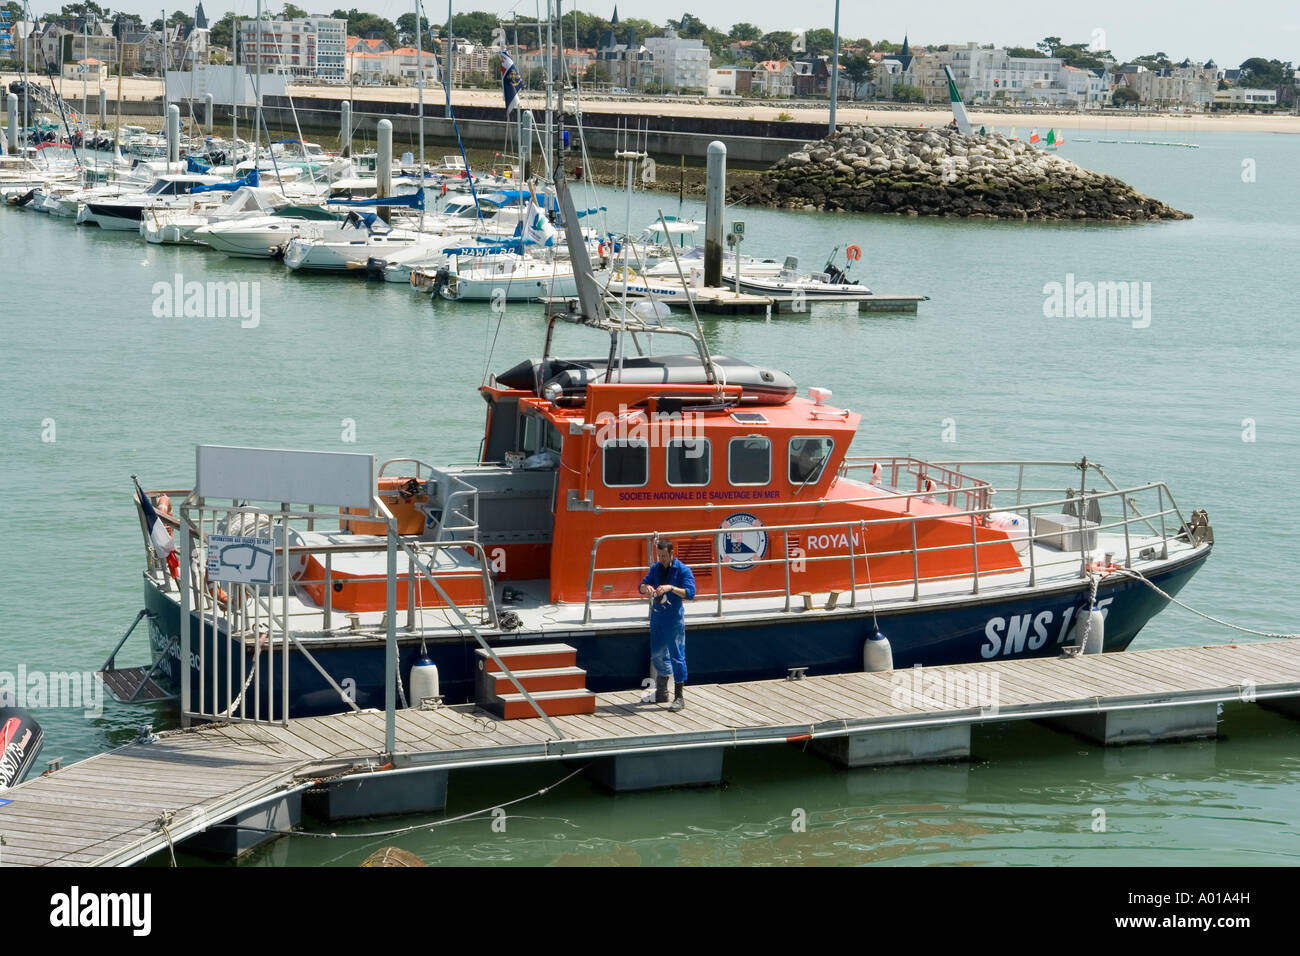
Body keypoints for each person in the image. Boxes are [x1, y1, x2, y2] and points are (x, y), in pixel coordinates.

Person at [638, 538, 695, 710]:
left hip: (673, 618)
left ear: (672, 554)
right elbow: (641, 584)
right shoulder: (655, 568)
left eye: (664, 555)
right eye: (659, 555)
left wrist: (671, 588)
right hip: (657, 616)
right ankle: (662, 692)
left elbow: (690, 593)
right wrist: (645, 588)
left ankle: (679, 696)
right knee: (656, 654)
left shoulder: (683, 570)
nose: (661, 559)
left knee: (677, 655)